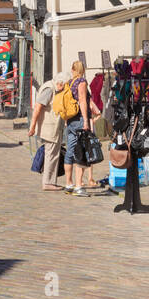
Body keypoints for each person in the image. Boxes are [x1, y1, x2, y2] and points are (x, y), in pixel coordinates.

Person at [62, 59, 102, 196]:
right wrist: (86, 120)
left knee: (70, 150)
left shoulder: (69, 83)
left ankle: (68, 183)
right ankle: (79, 186)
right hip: (79, 119)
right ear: (82, 70)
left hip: (70, 120)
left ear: (73, 70)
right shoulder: (81, 82)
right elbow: (82, 101)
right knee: (82, 151)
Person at [28, 75, 67, 191]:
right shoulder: (49, 89)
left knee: (53, 154)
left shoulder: (51, 87)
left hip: (52, 127)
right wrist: (32, 126)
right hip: (50, 128)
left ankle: (50, 181)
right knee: (51, 154)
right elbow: (38, 107)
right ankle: (48, 182)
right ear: (60, 83)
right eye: (63, 86)